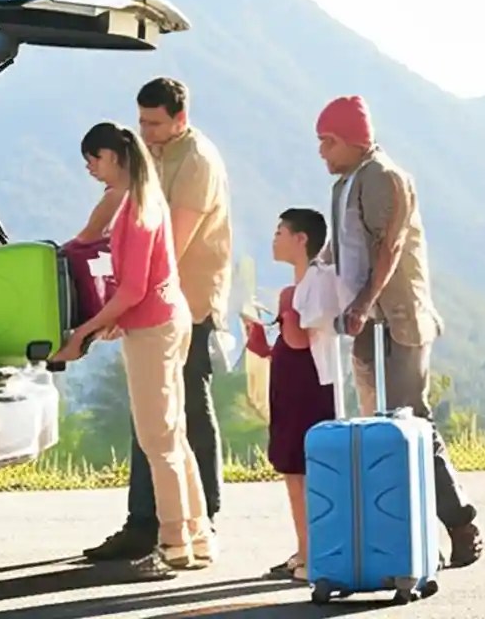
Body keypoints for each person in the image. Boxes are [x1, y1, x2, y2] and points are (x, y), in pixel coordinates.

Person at [314, 95, 484, 568]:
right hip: (363, 323)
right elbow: (342, 246)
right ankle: (395, 536)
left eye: (328, 142)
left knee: (412, 423)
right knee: (377, 432)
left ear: (352, 141)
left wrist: (365, 303)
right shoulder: (346, 182)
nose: (322, 152)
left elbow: (389, 248)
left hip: (398, 321)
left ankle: (460, 521)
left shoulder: (384, 177)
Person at [51, 122, 215, 580]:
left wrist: (82, 331)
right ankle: (195, 536)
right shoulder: (140, 201)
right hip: (163, 320)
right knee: (172, 435)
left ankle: (174, 543)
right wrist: (111, 323)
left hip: (154, 328)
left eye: (94, 160)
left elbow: (132, 288)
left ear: (113, 156)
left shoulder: (138, 209)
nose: (91, 170)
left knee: (157, 439)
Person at [83, 78, 233, 563]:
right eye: (141, 121)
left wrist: (115, 310)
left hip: (181, 302)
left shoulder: (197, 162)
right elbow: (115, 200)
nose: (143, 131)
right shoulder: (152, 154)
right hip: (157, 302)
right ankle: (166, 523)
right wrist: (79, 245)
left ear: (179, 118)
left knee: (171, 421)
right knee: (162, 423)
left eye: (153, 122)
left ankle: (185, 522)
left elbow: (173, 244)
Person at [252, 208, 334, 583]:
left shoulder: (312, 284)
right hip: (293, 382)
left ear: (301, 239)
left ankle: (310, 552)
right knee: (297, 469)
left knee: (298, 470)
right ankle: (305, 547)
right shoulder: (303, 284)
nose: (274, 238)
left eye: (280, 231)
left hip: (306, 385)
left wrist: (285, 311)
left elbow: (300, 340)